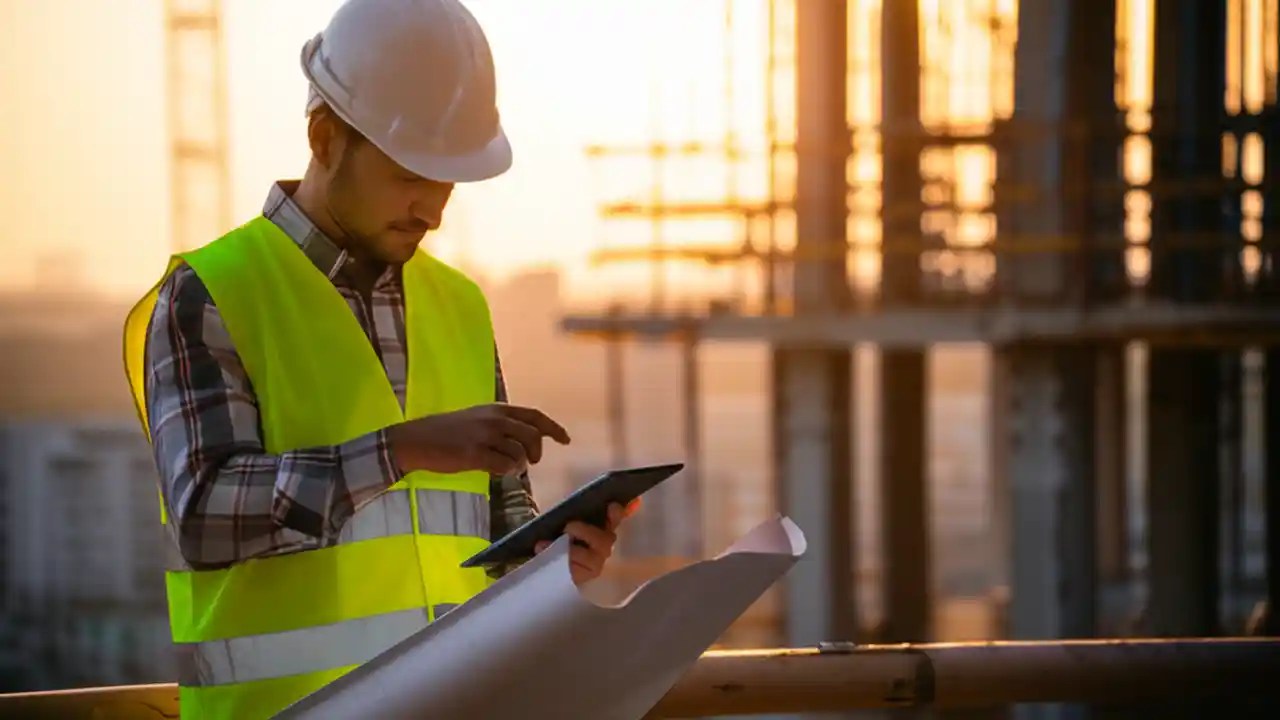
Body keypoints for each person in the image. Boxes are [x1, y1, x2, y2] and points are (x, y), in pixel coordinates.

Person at [122, 0, 634, 717]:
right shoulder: (210, 295)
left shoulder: (459, 306)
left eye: (448, 180)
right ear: (325, 137)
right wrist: (405, 447)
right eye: (409, 175)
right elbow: (204, 515)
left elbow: (494, 538)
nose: (433, 209)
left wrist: (552, 565)